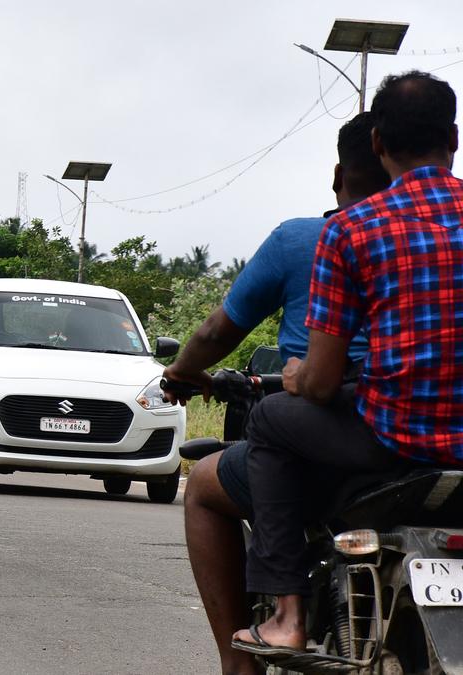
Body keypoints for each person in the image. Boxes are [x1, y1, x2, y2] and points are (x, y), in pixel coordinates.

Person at [226, 70, 463, 661]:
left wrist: (294, 376)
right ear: (453, 139)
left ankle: (285, 615)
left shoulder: (353, 229)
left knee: (271, 421)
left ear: (378, 143)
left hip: (396, 441)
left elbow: (323, 379)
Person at [163, 112, 392, 675]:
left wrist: (181, 374)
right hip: (433, 435)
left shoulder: (313, 238)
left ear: (340, 172)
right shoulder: (442, 233)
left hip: (345, 435)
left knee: (206, 486)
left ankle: (244, 658)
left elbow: (217, 332)